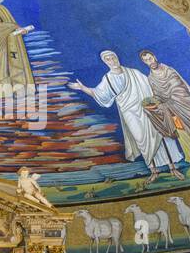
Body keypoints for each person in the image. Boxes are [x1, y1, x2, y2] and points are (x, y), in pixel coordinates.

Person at [69, 50, 182, 180]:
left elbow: (150, 86)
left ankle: (172, 168)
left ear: (117, 58)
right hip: (129, 113)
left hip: (147, 109)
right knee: (141, 140)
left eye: (113, 57)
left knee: (160, 135)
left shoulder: (133, 72)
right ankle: (153, 171)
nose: (112, 60)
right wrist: (82, 88)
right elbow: (99, 94)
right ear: (105, 62)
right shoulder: (108, 79)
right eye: (108, 59)